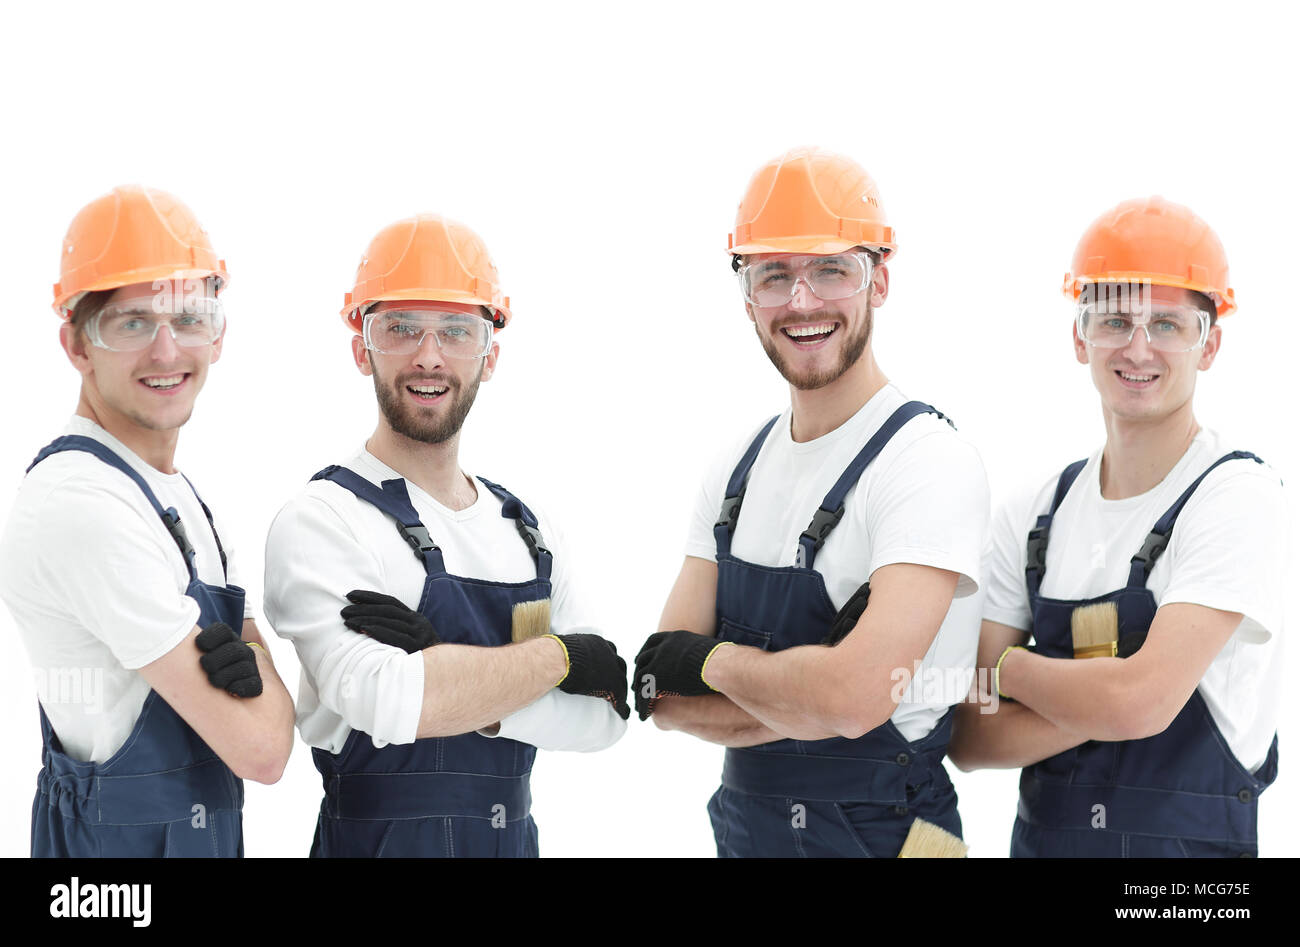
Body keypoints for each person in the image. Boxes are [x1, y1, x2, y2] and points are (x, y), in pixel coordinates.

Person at [633, 148, 989, 857]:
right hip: (750, 832)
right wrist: (811, 688)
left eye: (832, 269)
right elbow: (657, 690)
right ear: (746, 295)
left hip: (894, 832)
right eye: (774, 275)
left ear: (879, 280)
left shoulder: (925, 462)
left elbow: (859, 698)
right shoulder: (734, 469)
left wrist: (712, 663)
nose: (802, 302)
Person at [263, 213, 628, 858]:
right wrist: (557, 660)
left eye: (457, 331)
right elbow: (385, 701)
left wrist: (459, 681)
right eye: (400, 329)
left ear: (489, 356)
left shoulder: (530, 534)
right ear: (361, 347)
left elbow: (605, 717)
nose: (429, 355)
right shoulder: (322, 521)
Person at [948, 196, 1285, 858]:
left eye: (1166, 323)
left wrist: (1011, 668)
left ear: (1209, 343)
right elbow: (968, 736)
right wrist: (1104, 696)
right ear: (1080, 335)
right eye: (1114, 320)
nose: (1138, 347)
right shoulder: (1035, 511)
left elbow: (1142, 704)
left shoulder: (1236, 497)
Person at [0, 185, 295, 857]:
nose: (167, 352)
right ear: (77, 343)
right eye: (131, 323)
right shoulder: (82, 506)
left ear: (217, 336)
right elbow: (265, 747)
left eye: (189, 318)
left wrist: (255, 667)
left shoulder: (176, 496)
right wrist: (254, 658)